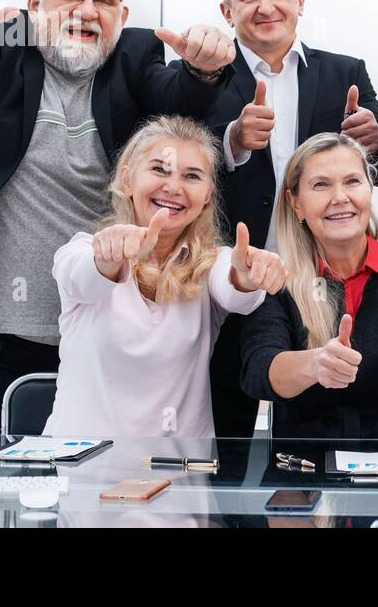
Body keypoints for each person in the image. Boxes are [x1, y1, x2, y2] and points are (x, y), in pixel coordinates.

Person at [0, 0, 236, 434]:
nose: (87, 11)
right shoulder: (6, 45)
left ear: (122, 14)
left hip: (103, 339)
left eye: (104, 0)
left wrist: (204, 68)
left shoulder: (135, 56)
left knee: (85, 493)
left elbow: (180, 95)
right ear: (35, 3)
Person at [202, 0, 378, 436]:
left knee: (316, 421)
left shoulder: (345, 73)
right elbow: (184, 168)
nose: (266, 6)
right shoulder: (203, 80)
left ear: (300, 0)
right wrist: (233, 141)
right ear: (227, 11)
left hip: (317, 283)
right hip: (229, 280)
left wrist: (372, 142)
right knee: (224, 427)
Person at [44, 116, 284, 438]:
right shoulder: (81, 251)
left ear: (208, 195)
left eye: (192, 176)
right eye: (159, 169)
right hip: (82, 472)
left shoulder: (212, 264)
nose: (173, 187)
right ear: (128, 180)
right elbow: (83, 276)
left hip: (179, 474)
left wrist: (247, 275)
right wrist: (107, 259)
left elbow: (234, 289)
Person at [239, 133, 378, 439]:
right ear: (295, 204)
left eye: (352, 181)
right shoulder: (278, 278)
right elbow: (258, 369)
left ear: (369, 190)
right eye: (321, 185)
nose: (340, 197)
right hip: (305, 470)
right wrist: (315, 364)